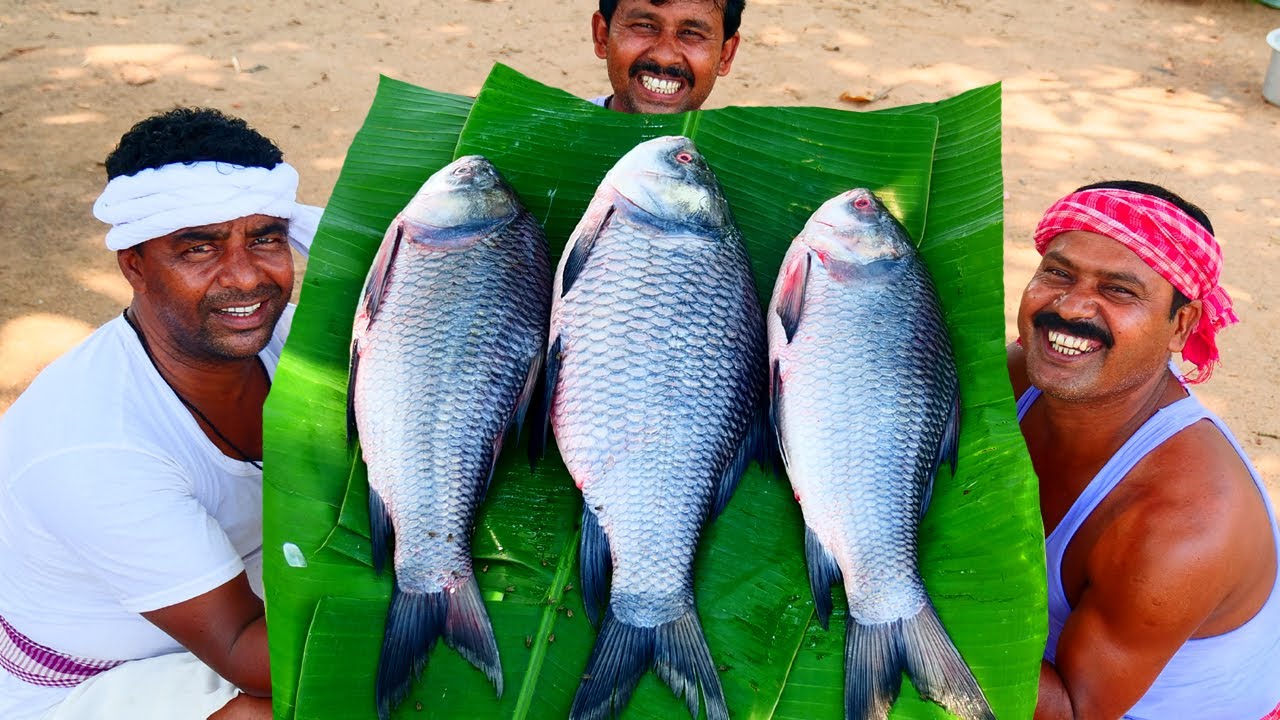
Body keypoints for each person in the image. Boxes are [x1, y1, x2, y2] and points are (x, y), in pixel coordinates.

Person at [0, 108, 320, 720]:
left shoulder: (291, 337)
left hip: (242, 592)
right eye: (199, 248)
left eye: (265, 238)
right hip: (93, 680)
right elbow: (248, 654)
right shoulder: (94, 449)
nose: (245, 277)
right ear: (135, 266)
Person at [1008, 181, 1280, 719]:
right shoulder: (1020, 374)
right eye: (1058, 273)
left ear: (1181, 325)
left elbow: (1075, 711)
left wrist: (900, 590)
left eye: (1119, 290)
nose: (1071, 306)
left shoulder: (1183, 523)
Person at [589, 0, 744, 114]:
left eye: (691, 33)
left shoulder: (740, 150)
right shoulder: (572, 131)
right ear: (603, 36)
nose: (664, 57)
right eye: (645, 26)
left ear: (725, 55)